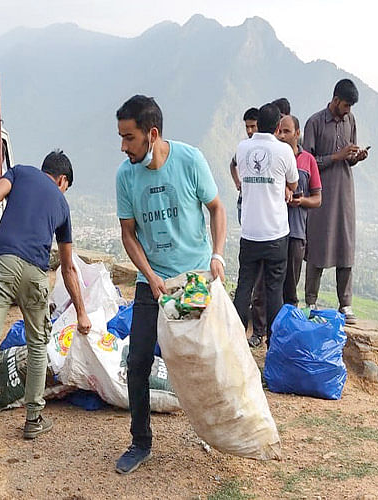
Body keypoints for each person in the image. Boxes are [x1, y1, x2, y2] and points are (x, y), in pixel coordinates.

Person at [0, 150, 91, 464]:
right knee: (38, 344)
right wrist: (81, 312)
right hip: (35, 273)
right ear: (63, 180)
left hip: (1, 264)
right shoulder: (62, 204)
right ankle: (34, 419)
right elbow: (68, 267)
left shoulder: (20, 172)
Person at [114, 95, 226, 474]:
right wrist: (149, 275)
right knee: (139, 360)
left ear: (152, 133)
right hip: (154, 280)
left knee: (204, 359)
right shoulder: (125, 176)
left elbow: (217, 208)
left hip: (194, 278)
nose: (124, 146)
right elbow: (128, 234)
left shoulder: (190, 160)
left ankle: (217, 431)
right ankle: (140, 441)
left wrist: (218, 255)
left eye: (129, 138)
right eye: (121, 137)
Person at [302, 79, 367, 324]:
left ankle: (345, 304)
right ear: (336, 99)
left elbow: (348, 159)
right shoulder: (315, 122)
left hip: (345, 193)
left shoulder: (350, 121)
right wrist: (336, 156)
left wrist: (356, 157)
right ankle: (311, 302)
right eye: (346, 105)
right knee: (318, 245)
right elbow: (307, 161)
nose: (349, 110)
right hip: (321, 194)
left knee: (345, 245)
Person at [233, 103, 298, 346]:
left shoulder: (242, 148)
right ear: (279, 126)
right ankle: (274, 343)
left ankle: (236, 340)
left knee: (244, 285)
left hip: (250, 231)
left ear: (258, 124)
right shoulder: (283, 151)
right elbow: (293, 184)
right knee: (274, 289)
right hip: (275, 233)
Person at [229, 107, 266, 344]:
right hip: (249, 215)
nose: (250, 131)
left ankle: (256, 327)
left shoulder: (263, 151)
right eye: (247, 127)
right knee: (250, 275)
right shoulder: (244, 149)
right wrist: (238, 183)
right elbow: (232, 164)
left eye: (253, 126)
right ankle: (241, 330)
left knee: (256, 275)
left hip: (262, 221)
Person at [276, 114, 322, 306]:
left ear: (297, 133)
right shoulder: (274, 156)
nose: (282, 136)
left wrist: (301, 200)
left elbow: (317, 199)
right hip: (273, 231)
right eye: (279, 131)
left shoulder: (308, 160)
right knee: (269, 285)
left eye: (287, 131)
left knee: (290, 287)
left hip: (296, 232)